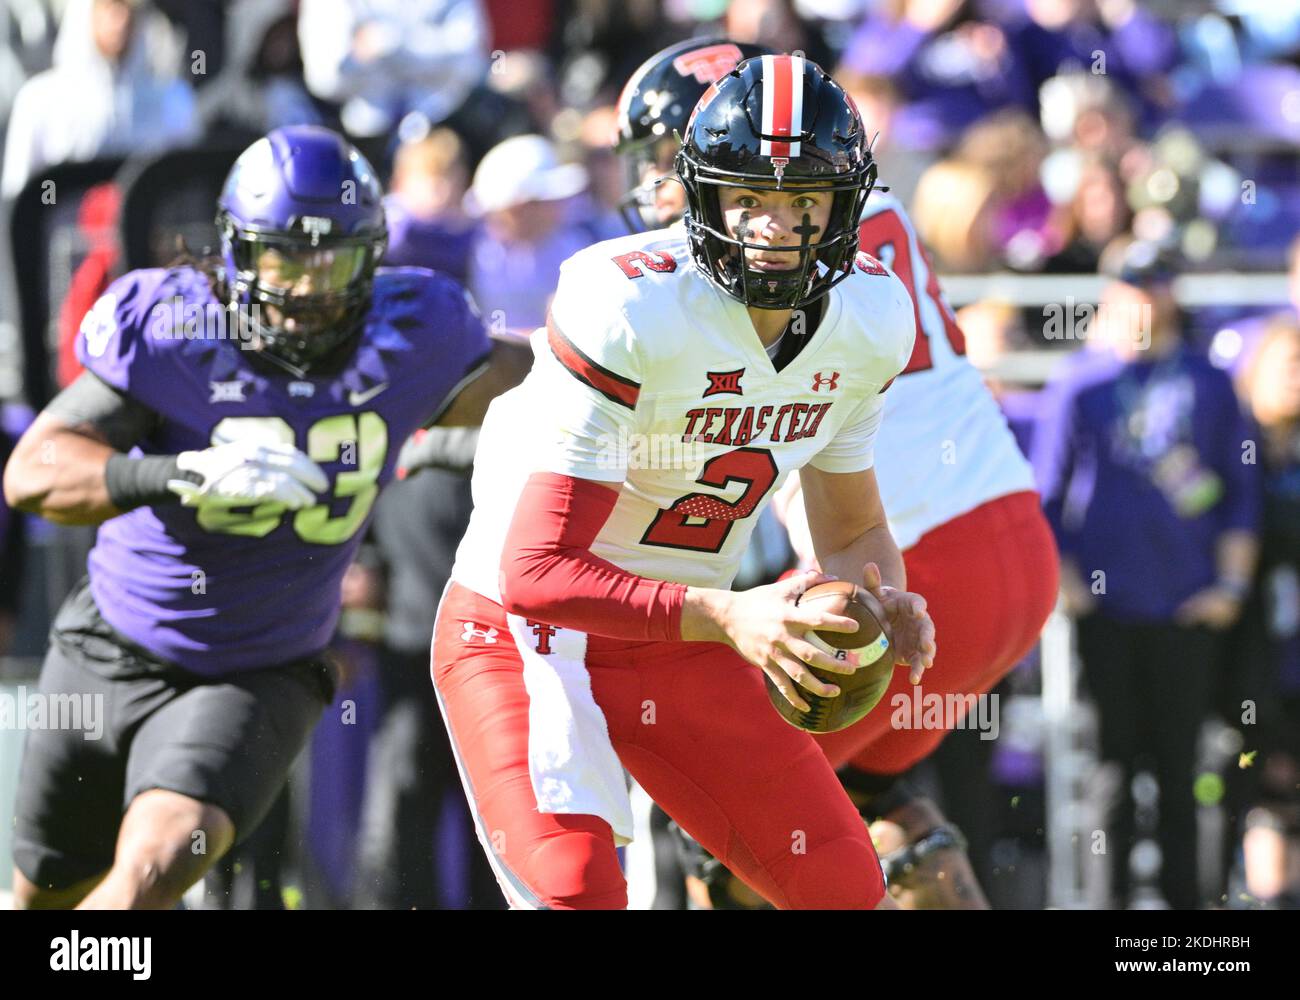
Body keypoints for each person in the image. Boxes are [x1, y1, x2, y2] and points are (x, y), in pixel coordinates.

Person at [432, 54, 936, 910]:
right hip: (524, 636)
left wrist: (881, 600)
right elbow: (539, 573)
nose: (775, 227)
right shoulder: (630, 306)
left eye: (803, 201)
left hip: (680, 638)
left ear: (847, 206)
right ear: (702, 196)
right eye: (749, 198)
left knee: (843, 887)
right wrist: (735, 614)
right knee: (578, 893)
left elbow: (850, 534)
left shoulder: (869, 320)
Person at [2, 124, 526, 910]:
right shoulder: (176, 328)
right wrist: (177, 473)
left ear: (372, 257)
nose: (310, 288)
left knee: (155, 864)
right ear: (240, 255)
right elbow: (31, 473)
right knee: (42, 896)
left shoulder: (414, 331)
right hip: (113, 644)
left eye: (333, 260)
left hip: (263, 665)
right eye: (286, 258)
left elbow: (549, 380)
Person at [611, 38, 1059, 911]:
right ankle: (929, 869)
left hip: (906, 562)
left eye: (659, 160)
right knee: (863, 803)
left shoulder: (745, 247)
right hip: (1006, 548)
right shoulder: (844, 201)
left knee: (719, 806)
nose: (653, 187)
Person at [1033, 240, 1261, 909]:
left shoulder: (1210, 383)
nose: (1141, 296)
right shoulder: (1082, 383)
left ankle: (1188, 925)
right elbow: (1043, 495)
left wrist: (1230, 590)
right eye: (1128, 283)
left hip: (1187, 608)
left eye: (1154, 282)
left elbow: (1239, 494)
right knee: (1109, 771)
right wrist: (1068, 583)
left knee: (1182, 770)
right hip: (1108, 610)